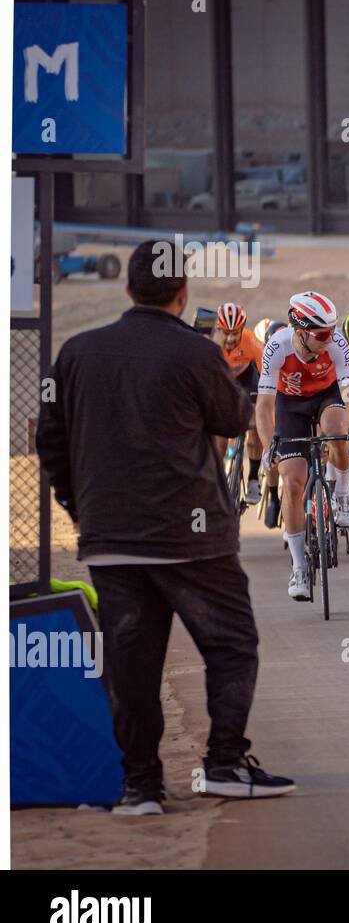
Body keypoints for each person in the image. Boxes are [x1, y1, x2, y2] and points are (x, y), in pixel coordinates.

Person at [35, 240, 294, 815]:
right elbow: (232, 418)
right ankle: (225, 763)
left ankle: (141, 787)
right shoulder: (194, 353)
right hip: (192, 539)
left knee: (132, 663)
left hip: (112, 542)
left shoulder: (78, 353)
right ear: (183, 294)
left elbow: (48, 441)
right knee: (231, 646)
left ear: (127, 289)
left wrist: (83, 509)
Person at [256, 291, 349, 598]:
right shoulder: (277, 346)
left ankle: (342, 492)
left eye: (332, 330)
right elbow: (264, 406)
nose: (330, 338)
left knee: (336, 430)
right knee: (292, 482)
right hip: (290, 405)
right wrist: (268, 447)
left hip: (327, 396)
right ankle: (300, 566)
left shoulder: (337, 344)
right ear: (301, 332)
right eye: (322, 333)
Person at [215, 302, 265, 503]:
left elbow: (267, 374)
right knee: (220, 439)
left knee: (254, 428)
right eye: (225, 333)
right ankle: (218, 481)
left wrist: (266, 411)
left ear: (242, 329)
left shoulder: (251, 341)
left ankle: (253, 478)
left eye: (235, 333)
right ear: (218, 329)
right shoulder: (211, 344)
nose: (229, 338)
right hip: (224, 382)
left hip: (247, 379)